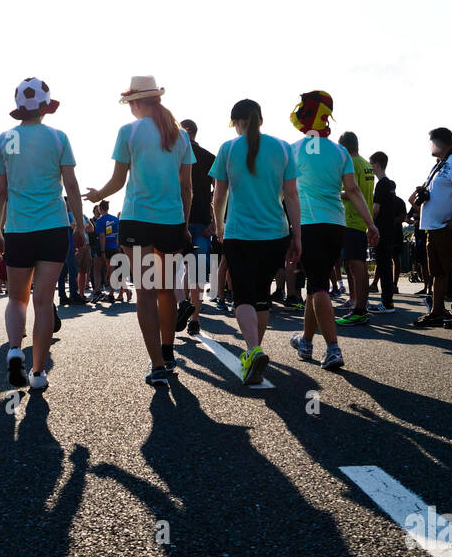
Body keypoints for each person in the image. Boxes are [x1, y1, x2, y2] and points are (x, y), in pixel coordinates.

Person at [84, 76, 194, 385]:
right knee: (166, 289)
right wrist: (184, 225)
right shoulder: (180, 135)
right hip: (171, 221)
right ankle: (169, 353)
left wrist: (97, 195)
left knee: (146, 291)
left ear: (136, 103)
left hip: (137, 219)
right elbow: (187, 187)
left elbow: (118, 181)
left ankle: (157, 365)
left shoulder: (128, 132)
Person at [0, 77, 85, 391]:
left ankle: (15, 350)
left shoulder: (6, 139)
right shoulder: (58, 138)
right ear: (46, 106)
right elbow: (70, 186)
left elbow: (0, 191)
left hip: (18, 228)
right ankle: (39, 373)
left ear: (19, 108)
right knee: (43, 302)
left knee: (17, 298)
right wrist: (80, 225)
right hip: (54, 227)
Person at [285, 91, 378, 370]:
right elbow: (353, 191)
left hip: (309, 224)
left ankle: (333, 348)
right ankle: (305, 341)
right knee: (316, 285)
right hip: (337, 225)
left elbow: (285, 191)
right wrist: (370, 223)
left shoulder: (294, 149)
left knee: (318, 287)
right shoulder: (340, 152)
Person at [211, 98, 301, 385]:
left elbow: (219, 197)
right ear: (260, 120)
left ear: (237, 122)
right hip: (275, 233)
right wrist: (297, 234)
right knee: (262, 295)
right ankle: (255, 352)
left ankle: (252, 349)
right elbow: (292, 195)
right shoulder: (284, 148)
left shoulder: (228, 149)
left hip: (240, 233)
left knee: (243, 296)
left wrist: (218, 223)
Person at [413, 128, 452, 329]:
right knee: (437, 272)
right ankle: (437, 311)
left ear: (440, 142)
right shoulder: (439, 164)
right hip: (434, 227)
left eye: (431, 141)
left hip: (449, 228)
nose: (430, 145)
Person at [178, 118, 215, 334]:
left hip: (178, 217)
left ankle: (180, 307)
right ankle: (195, 318)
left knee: (177, 267)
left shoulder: (175, 155)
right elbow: (220, 192)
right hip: (202, 219)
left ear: (185, 131)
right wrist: (214, 221)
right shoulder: (210, 157)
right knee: (197, 270)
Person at [337, 131, 374, 325]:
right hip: (361, 219)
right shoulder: (366, 164)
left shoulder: (350, 164)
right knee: (355, 264)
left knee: (356, 265)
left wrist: (334, 191)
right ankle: (358, 304)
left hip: (353, 219)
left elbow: (352, 191)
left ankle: (360, 308)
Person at [369, 152, 399, 313]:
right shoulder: (390, 184)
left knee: (384, 265)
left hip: (382, 230)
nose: (370, 167)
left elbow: (375, 209)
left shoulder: (381, 184)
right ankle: (387, 301)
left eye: (371, 164)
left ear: (377, 164)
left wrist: (369, 225)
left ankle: (387, 302)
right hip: (389, 229)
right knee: (385, 265)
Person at [95, 202, 125, 302]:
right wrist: (118, 245)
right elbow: (119, 233)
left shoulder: (100, 220)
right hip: (115, 247)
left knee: (103, 269)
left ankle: (102, 291)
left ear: (100, 208)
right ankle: (111, 293)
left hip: (106, 247)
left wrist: (103, 251)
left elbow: (102, 236)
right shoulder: (116, 219)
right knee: (112, 269)